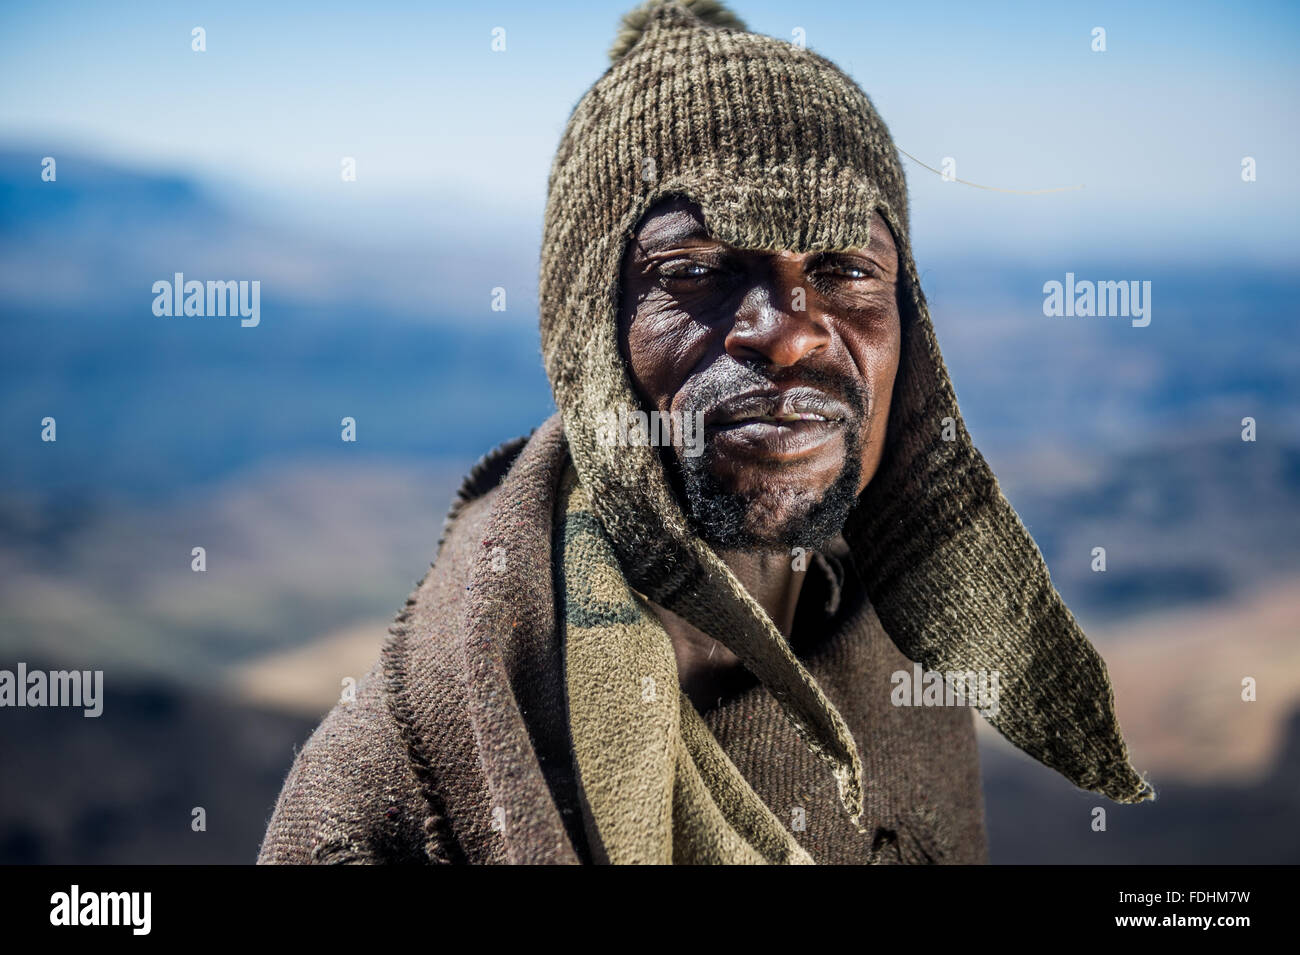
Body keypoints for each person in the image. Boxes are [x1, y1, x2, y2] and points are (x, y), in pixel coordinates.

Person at [257, 0, 1153, 866]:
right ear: (587, 335)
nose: (791, 329)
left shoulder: (896, 656)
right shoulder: (387, 799)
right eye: (696, 269)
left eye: (843, 269)